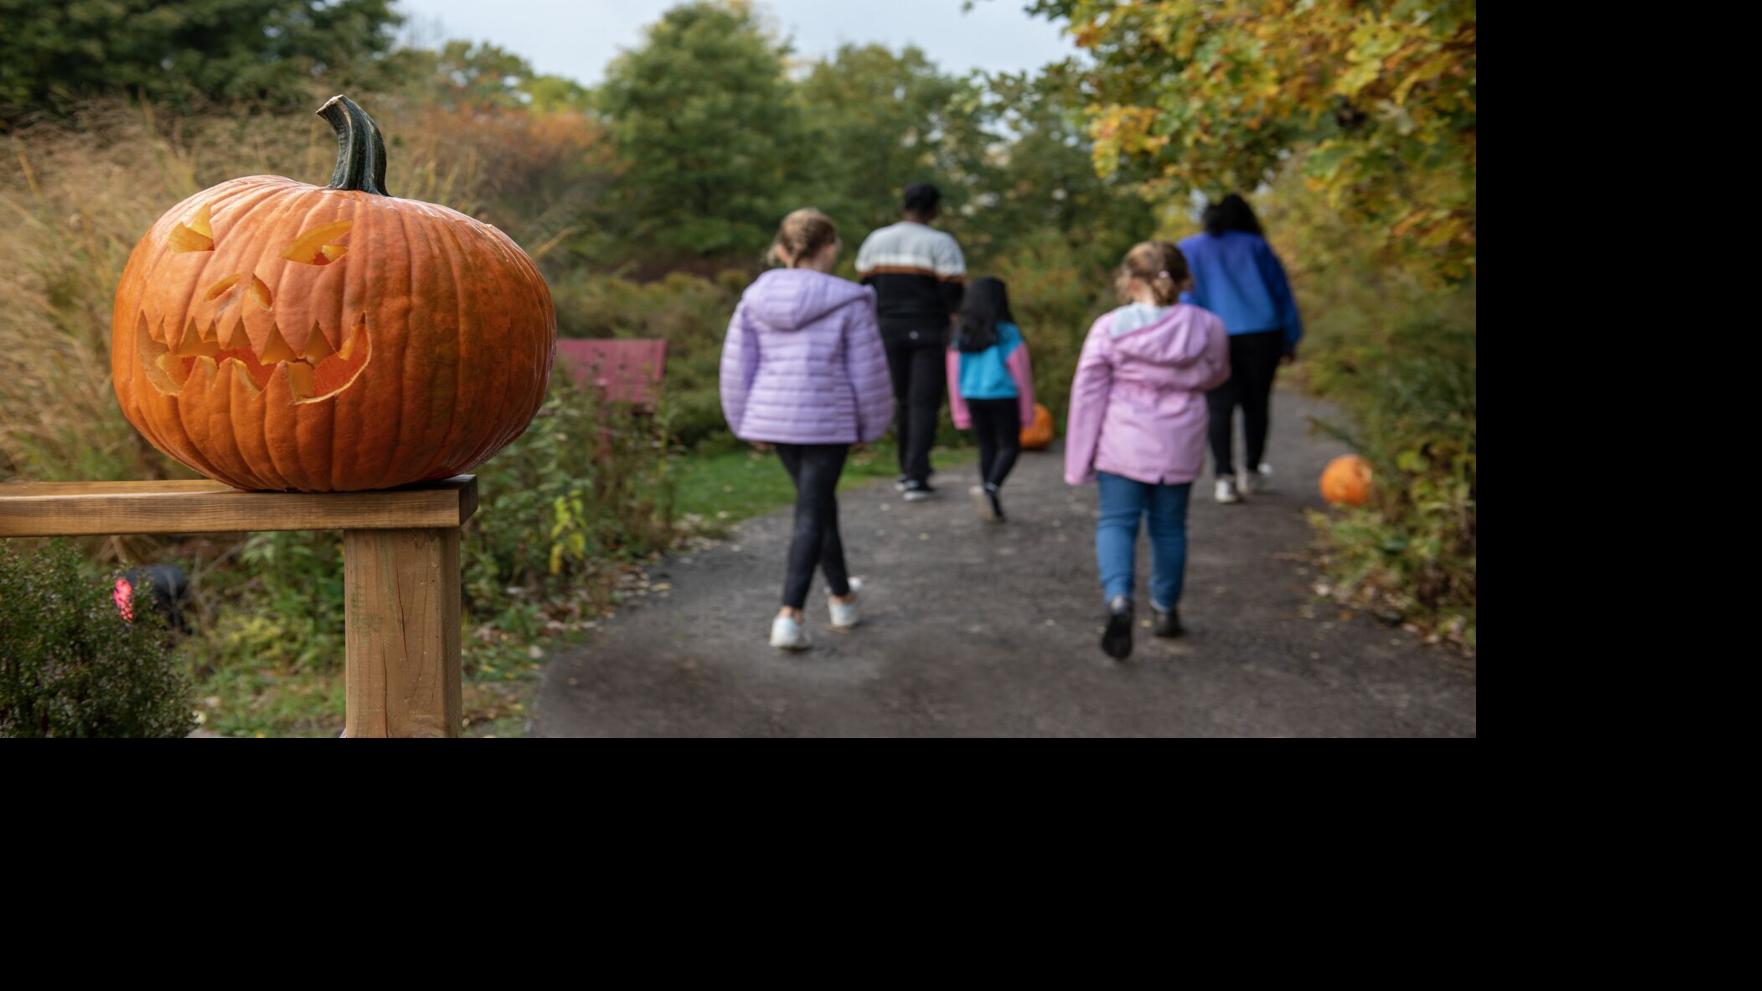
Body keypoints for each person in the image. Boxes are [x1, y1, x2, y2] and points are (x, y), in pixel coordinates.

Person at [720, 209, 894, 652]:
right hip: (828, 419)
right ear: (831, 248)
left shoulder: (755, 297)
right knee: (812, 510)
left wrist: (743, 420)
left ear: (782, 250)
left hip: (776, 417)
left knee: (817, 504)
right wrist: (872, 424)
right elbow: (867, 370)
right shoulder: (851, 300)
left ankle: (842, 599)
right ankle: (790, 614)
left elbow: (738, 366)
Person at [1065, 241, 1230, 660]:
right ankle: (1165, 608)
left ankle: (1119, 599)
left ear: (1130, 280)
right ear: (1184, 280)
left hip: (1123, 439)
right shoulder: (1208, 326)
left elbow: (1088, 392)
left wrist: (1080, 456)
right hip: (1180, 438)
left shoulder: (1110, 327)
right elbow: (1217, 374)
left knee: (1116, 522)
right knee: (1170, 527)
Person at [1177, 193, 1304, 504]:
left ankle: (1224, 477)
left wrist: (1190, 339)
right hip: (1262, 333)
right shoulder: (1256, 246)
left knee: (1218, 406)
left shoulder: (1190, 248)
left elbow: (1185, 298)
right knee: (1256, 405)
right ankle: (1252, 471)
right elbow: (1281, 293)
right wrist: (1291, 337)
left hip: (1213, 335)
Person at [855, 181, 966, 502]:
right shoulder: (941, 243)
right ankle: (917, 474)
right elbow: (953, 293)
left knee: (903, 400)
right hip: (929, 330)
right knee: (924, 403)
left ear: (904, 205)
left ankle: (906, 468)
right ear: (934, 209)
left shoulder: (876, 240)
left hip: (887, 328)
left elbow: (866, 286)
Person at [945, 276, 1034, 523]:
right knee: (1010, 446)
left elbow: (953, 375)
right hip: (1003, 396)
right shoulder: (1007, 333)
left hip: (973, 396)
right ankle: (991, 488)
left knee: (987, 447)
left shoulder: (961, 333)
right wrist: (1027, 411)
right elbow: (1022, 374)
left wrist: (959, 411)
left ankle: (990, 499)